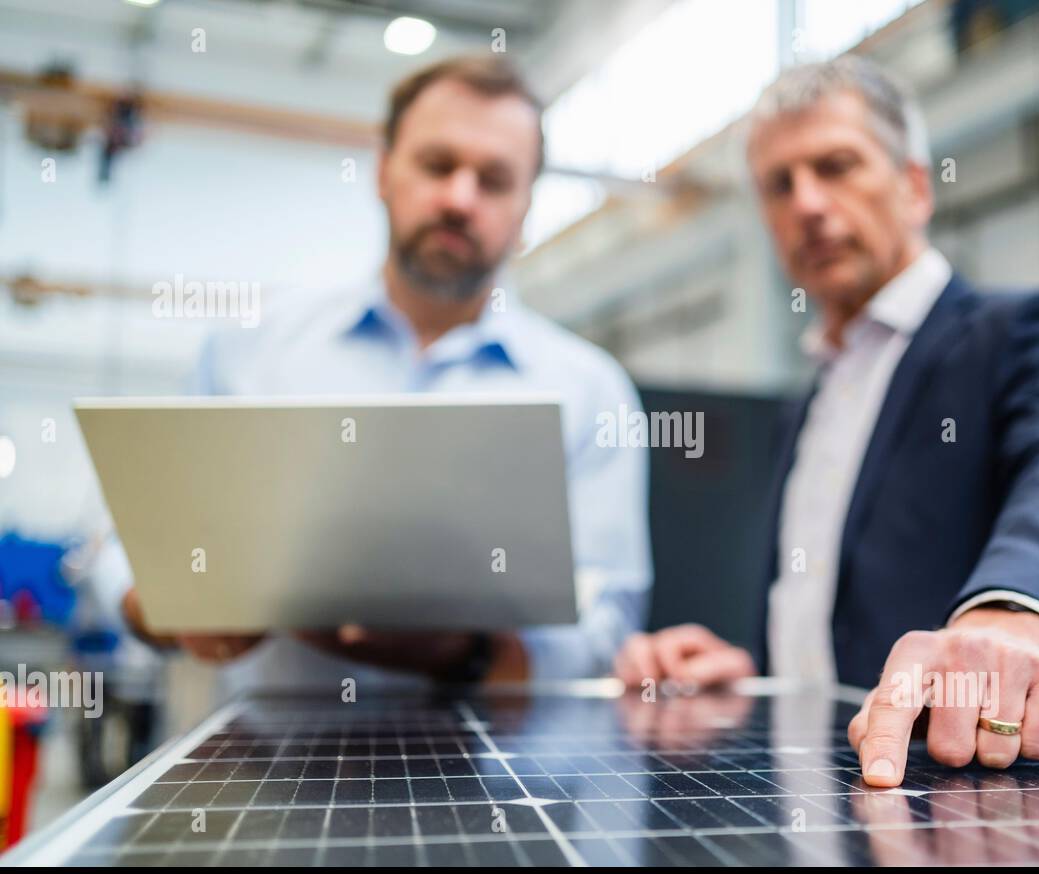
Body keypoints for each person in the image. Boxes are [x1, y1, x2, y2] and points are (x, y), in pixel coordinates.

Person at [614, 56, 1039, 785]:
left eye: (836, 166)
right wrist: (759, 677)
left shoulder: (1025, 332)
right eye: (779, 184)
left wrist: (1010, 611)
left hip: (976, 795)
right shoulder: (810, 398)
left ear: (914, 186)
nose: (807, 203)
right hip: (833, 800)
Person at [103, 55, 652, 694]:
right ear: (383, 170)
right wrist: (166, 611)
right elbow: (128, 546)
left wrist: (463, 653)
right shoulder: (249, 352)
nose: (459, 199)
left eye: (495, 179)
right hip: (271, 771)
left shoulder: (591, 393)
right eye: (437, 165)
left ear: (528, 206)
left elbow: (609, 627)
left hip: (492, 780)